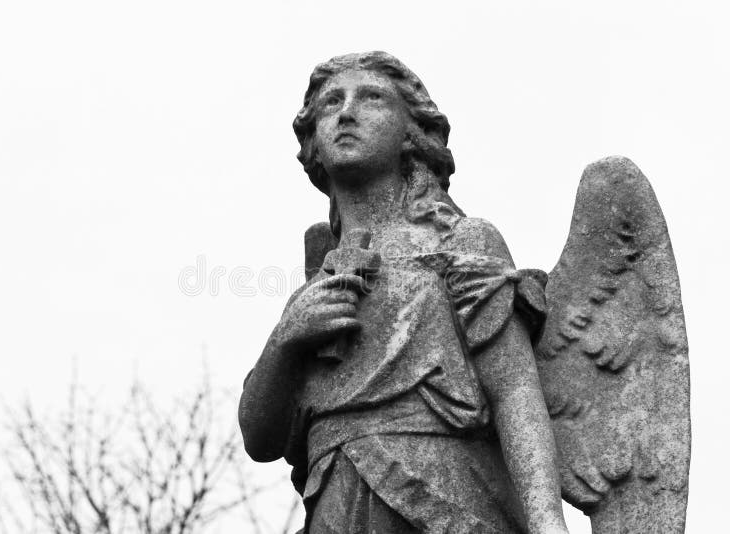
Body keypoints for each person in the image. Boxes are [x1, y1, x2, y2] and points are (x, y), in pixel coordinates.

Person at [239, 51, 569, 534]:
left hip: (451, 494)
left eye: (370, 98)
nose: (346, 112)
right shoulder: (317, 286)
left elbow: (515, 390)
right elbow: (259, 438)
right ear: (314, 145)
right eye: (331, 103)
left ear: (411, 134)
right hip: (337, 503)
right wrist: (286, 340)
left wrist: (548, 523)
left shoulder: (462, 242)